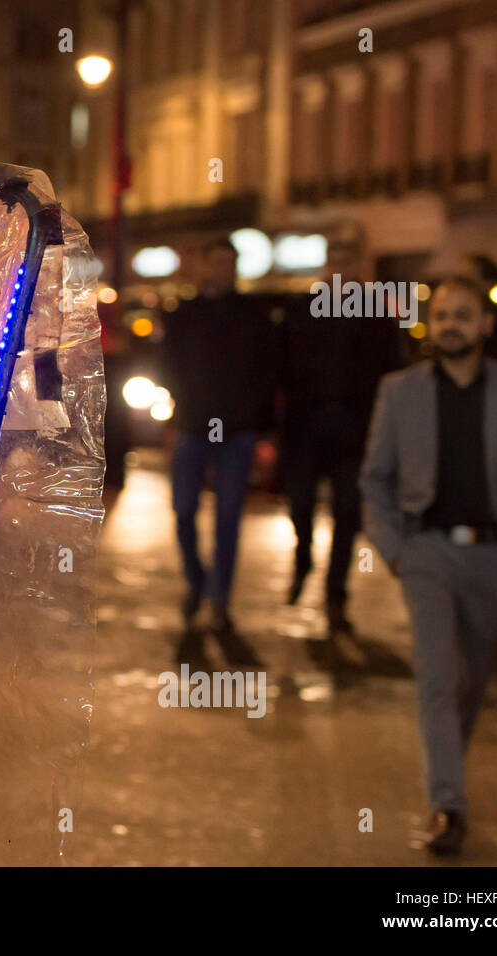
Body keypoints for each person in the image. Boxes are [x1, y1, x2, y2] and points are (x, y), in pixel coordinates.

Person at [360, 275, 497, 854]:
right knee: (438, 679)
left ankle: (447, 781)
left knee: (470, 685)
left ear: (486, 325)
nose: (451, 325)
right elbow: (376, 479)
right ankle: (448, 805)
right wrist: (394, 548)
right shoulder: (400, 390)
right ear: (429, 324)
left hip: (495, 556)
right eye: (442, 316)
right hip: (427, 553)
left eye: (463, 315)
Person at [160, 236, 278, 665]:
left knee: (228, 518)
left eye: (230, 262)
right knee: (184, 511)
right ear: (205, 266)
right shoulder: (184, 314)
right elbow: (167, 364)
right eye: (217, 261)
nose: (224, 269)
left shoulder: (253, 315)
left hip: (237, 430)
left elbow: (267, 370)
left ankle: (219, 600)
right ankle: (198, 581)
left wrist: (259, 421)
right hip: (193, 424)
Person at [280, 238, 401, 642]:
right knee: (301, 505)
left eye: (345, 263)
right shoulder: (302, 310)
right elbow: (282, 368)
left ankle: (336, 598)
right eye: (333, 262)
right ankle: (303, 561)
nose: (338, 270)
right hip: (306, 429)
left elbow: (390, 374)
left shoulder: (375, 315)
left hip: (353, 429)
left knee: (347, 513)